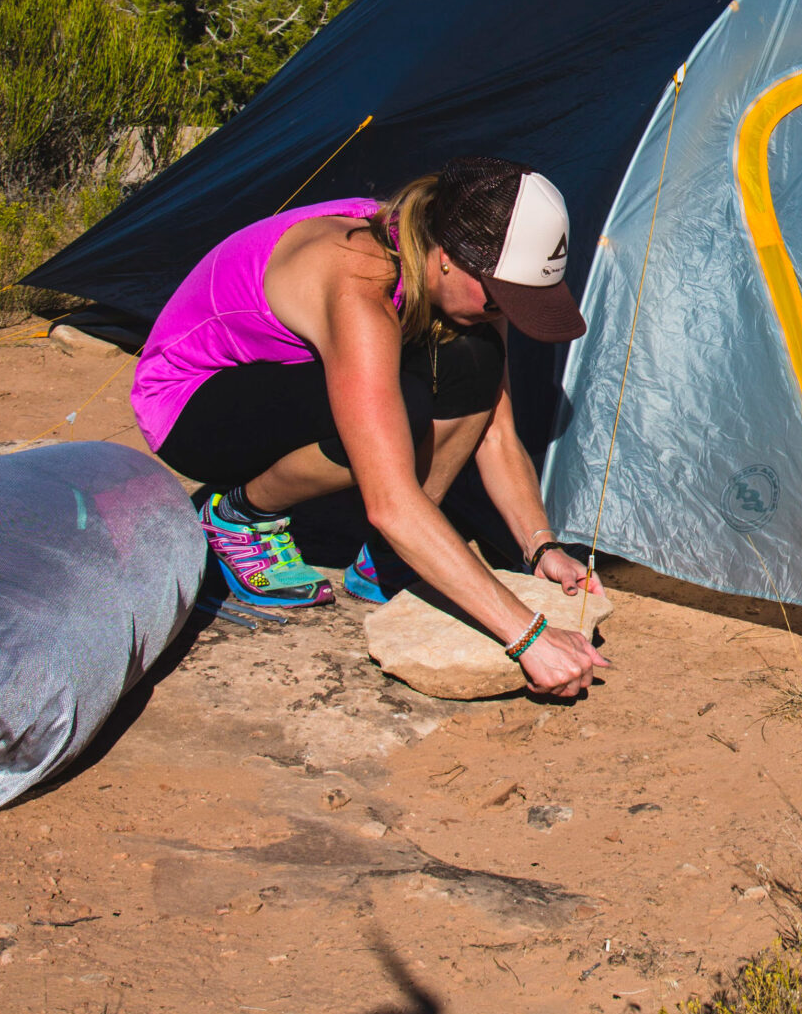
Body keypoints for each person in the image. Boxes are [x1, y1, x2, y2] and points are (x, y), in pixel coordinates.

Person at [130, 157, 609, 698]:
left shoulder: (468, 275)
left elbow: (495, 431)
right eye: (502, 298)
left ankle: (385, 558)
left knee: (473, 358)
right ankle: (239, 516)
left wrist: (540, 547)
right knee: (400, 409)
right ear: (450, 260)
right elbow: (389, 498)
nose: (506, 310)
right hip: (191, 401)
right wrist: (530, 637)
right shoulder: (357, 281)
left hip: (288, 375)